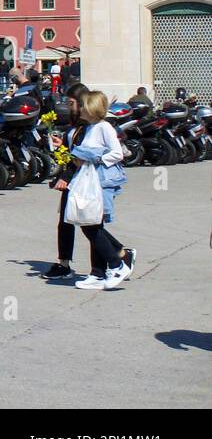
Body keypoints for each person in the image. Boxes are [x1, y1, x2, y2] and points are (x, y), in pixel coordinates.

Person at [65, 90, 134, 290]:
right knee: (90, 223)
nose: (80, 109)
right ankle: (98, 272)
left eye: (84, 105)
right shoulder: (90, 127)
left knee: (91, 224)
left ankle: (116, 263)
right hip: (89, 179)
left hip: (100, 181)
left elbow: (117, 153)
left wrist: (95, 160)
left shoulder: (104, 127)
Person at [46, 81, 90, 279]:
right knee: (66, 221)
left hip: (83, 180)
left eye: (71, 102)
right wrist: (61, 142)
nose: (67, 106)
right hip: (73, 179)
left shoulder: (88, 126)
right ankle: (63, 263)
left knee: (91, 225)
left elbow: (79, 157)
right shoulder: (76, 125)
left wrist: (65, 177)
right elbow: (72, 148)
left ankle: (119, 255)